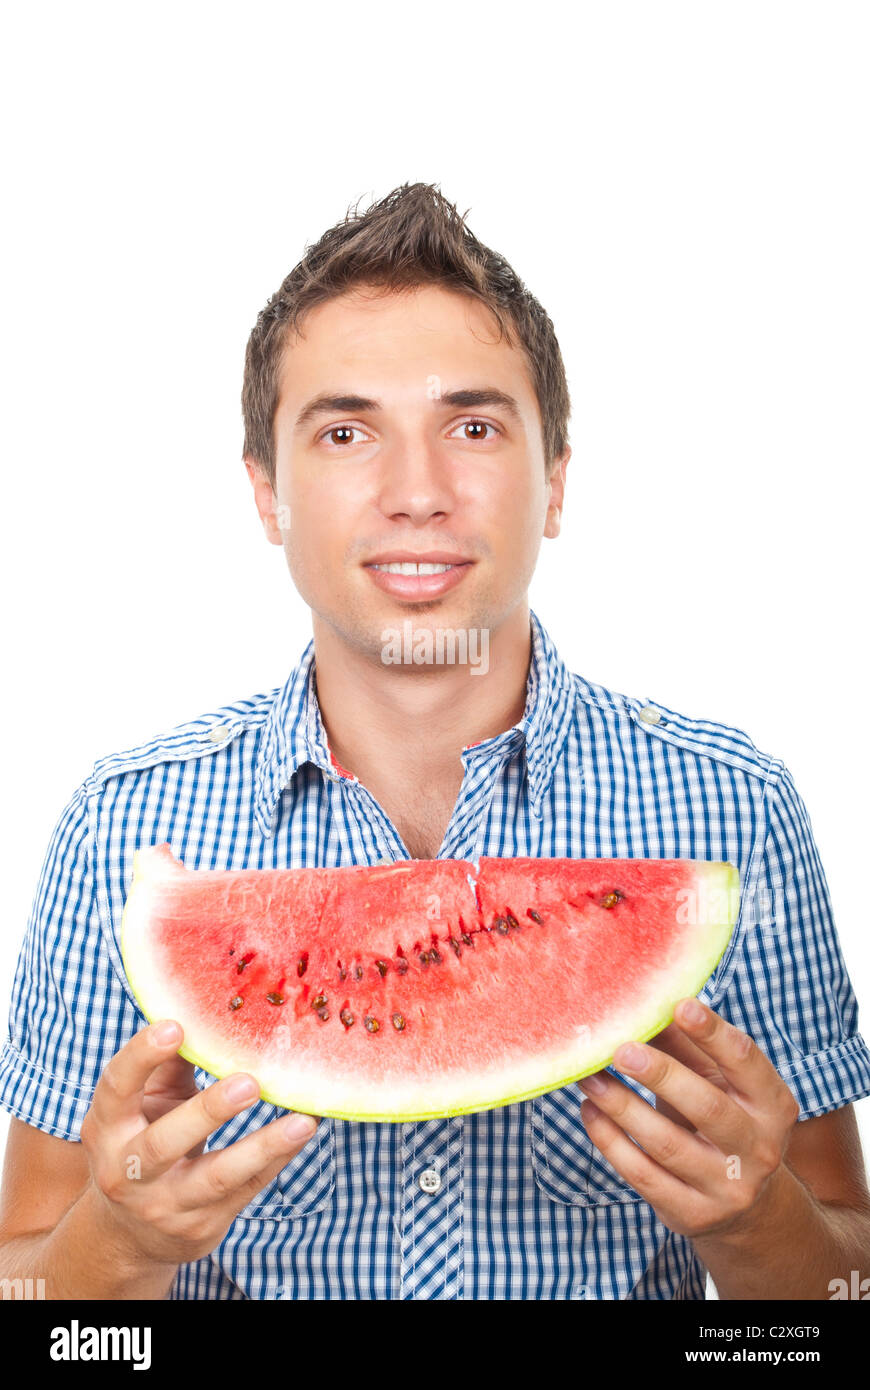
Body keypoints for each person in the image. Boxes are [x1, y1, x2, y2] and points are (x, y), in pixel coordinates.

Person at [0, 183, 868, 1302]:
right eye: (348, 431)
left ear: (554, 481)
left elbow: (834, 1302)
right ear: (266, 493)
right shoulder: (126, 829)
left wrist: (764, 1230)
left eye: (472, 426)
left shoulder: (729, 812)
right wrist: (115, 1245)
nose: (417, 492)